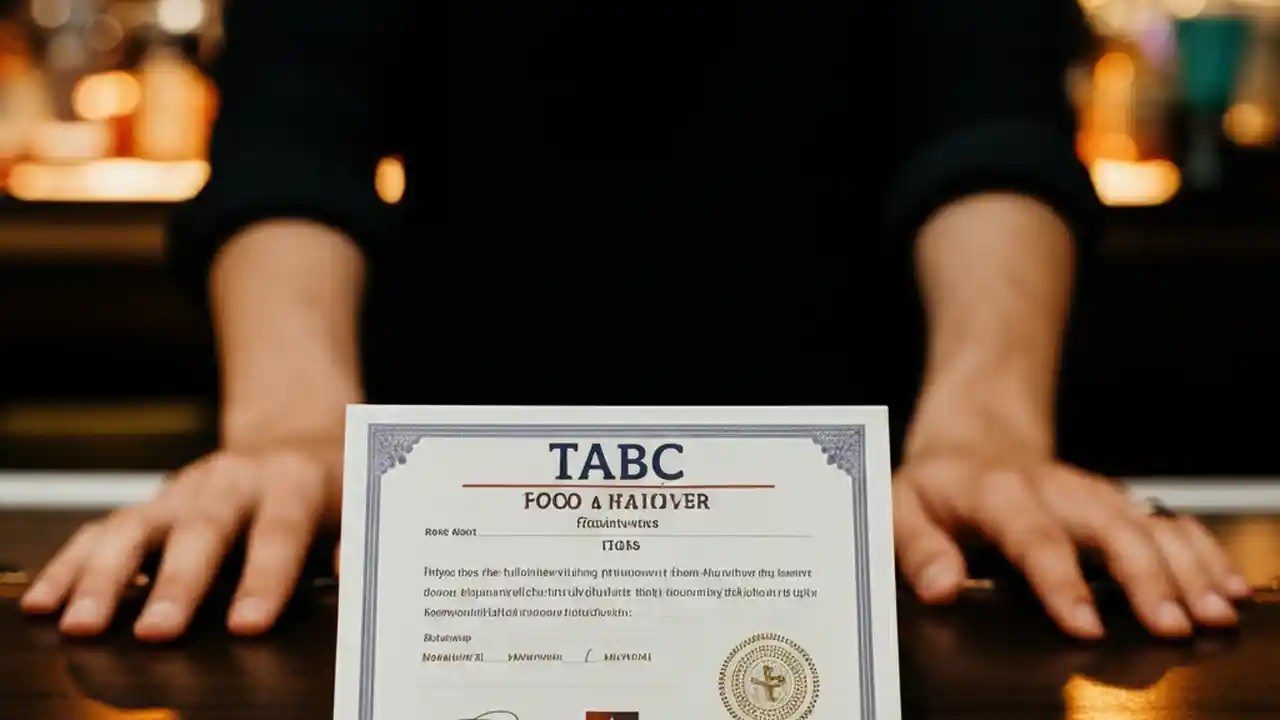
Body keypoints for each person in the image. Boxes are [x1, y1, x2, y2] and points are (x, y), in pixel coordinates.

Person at [22, 0, 1248, 642]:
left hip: (862, 519)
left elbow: (985, 119)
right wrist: (295, 426)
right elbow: (296, 129)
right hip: (468, 519)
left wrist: (982, 425)